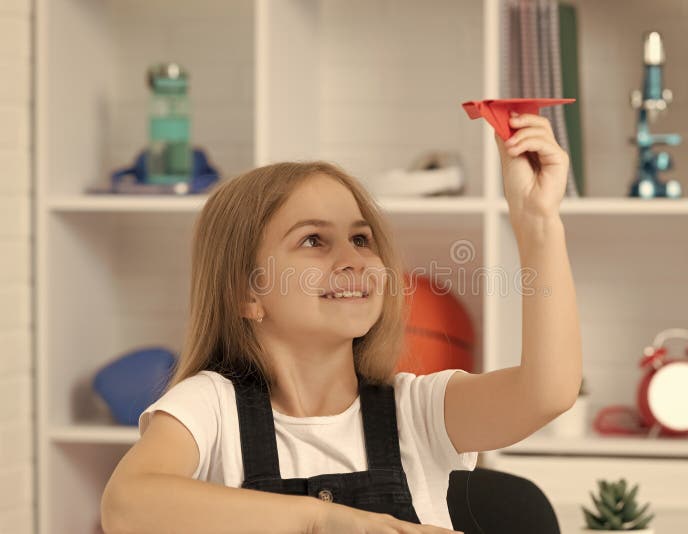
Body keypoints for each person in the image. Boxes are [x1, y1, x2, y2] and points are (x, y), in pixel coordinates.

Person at [100, 111, 583, 534]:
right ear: (248, 293)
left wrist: (537, 220)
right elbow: (126, 507)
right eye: (313, 240)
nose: (352, 259)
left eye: (361, 238)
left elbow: (549, 392)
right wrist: (322, 521)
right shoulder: (210, 408)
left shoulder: (416, 412)